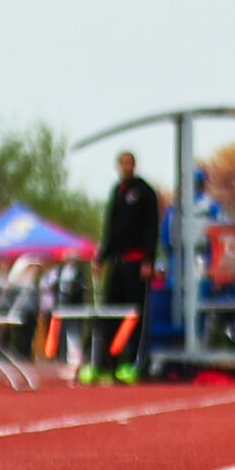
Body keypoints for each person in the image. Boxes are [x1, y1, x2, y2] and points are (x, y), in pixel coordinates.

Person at [90, 151, 160, 384]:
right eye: (123, 163)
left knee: (135, 313)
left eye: (130, 163)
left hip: (137, 262)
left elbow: (151, 227)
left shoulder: (144, 192)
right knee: (111, 312)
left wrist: (148, 259)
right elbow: (111, 229)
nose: (126, 167)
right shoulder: (117, 191)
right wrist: (101, 258)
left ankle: (135, 361)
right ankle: (108, 362)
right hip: (117, 262)